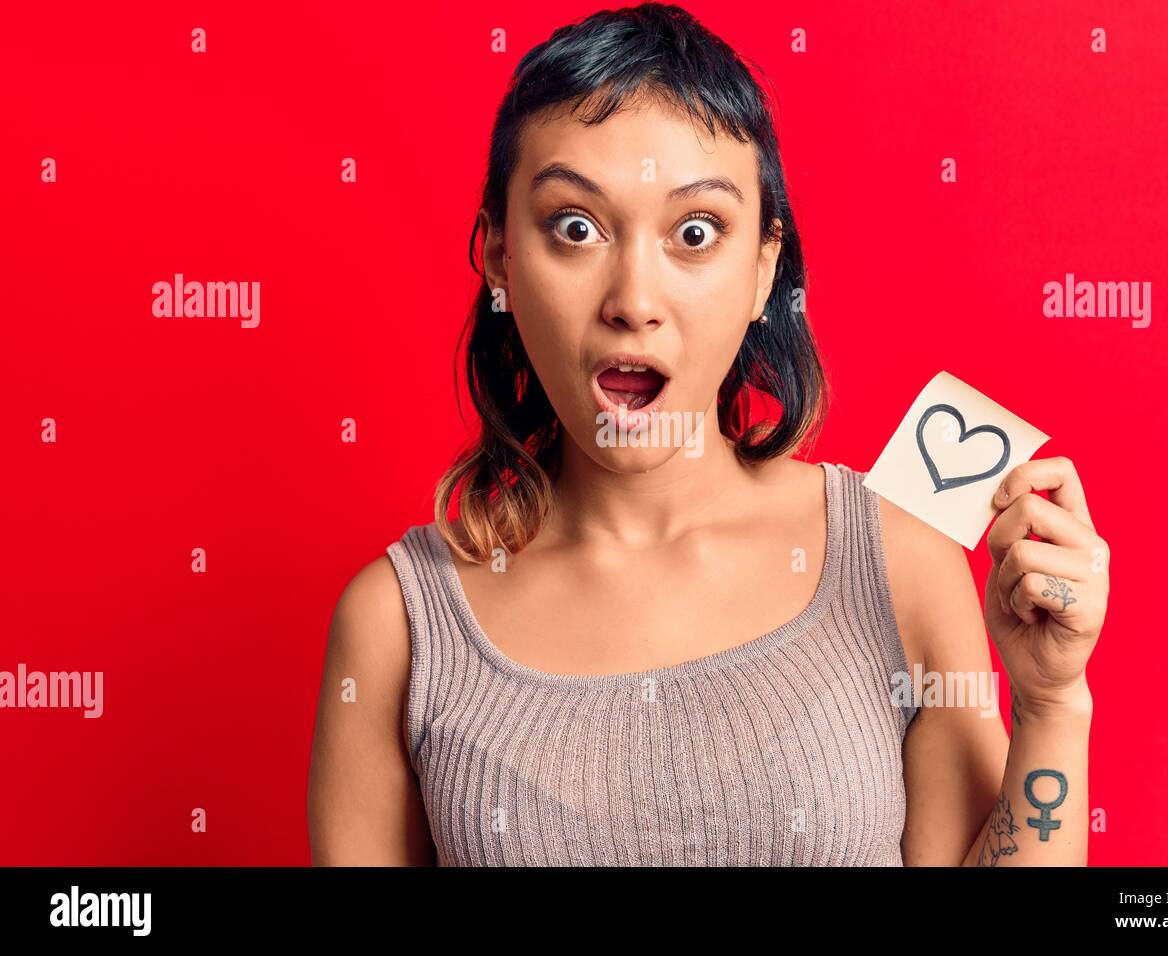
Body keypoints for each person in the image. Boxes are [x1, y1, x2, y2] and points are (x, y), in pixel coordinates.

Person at [307, 2, 1108, 866]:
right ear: (502, 256)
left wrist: (1052, 707)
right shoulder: (395, 627)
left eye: (696, 233)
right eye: (575, 227)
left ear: (764, 268)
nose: (634, 300)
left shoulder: (900, 564)